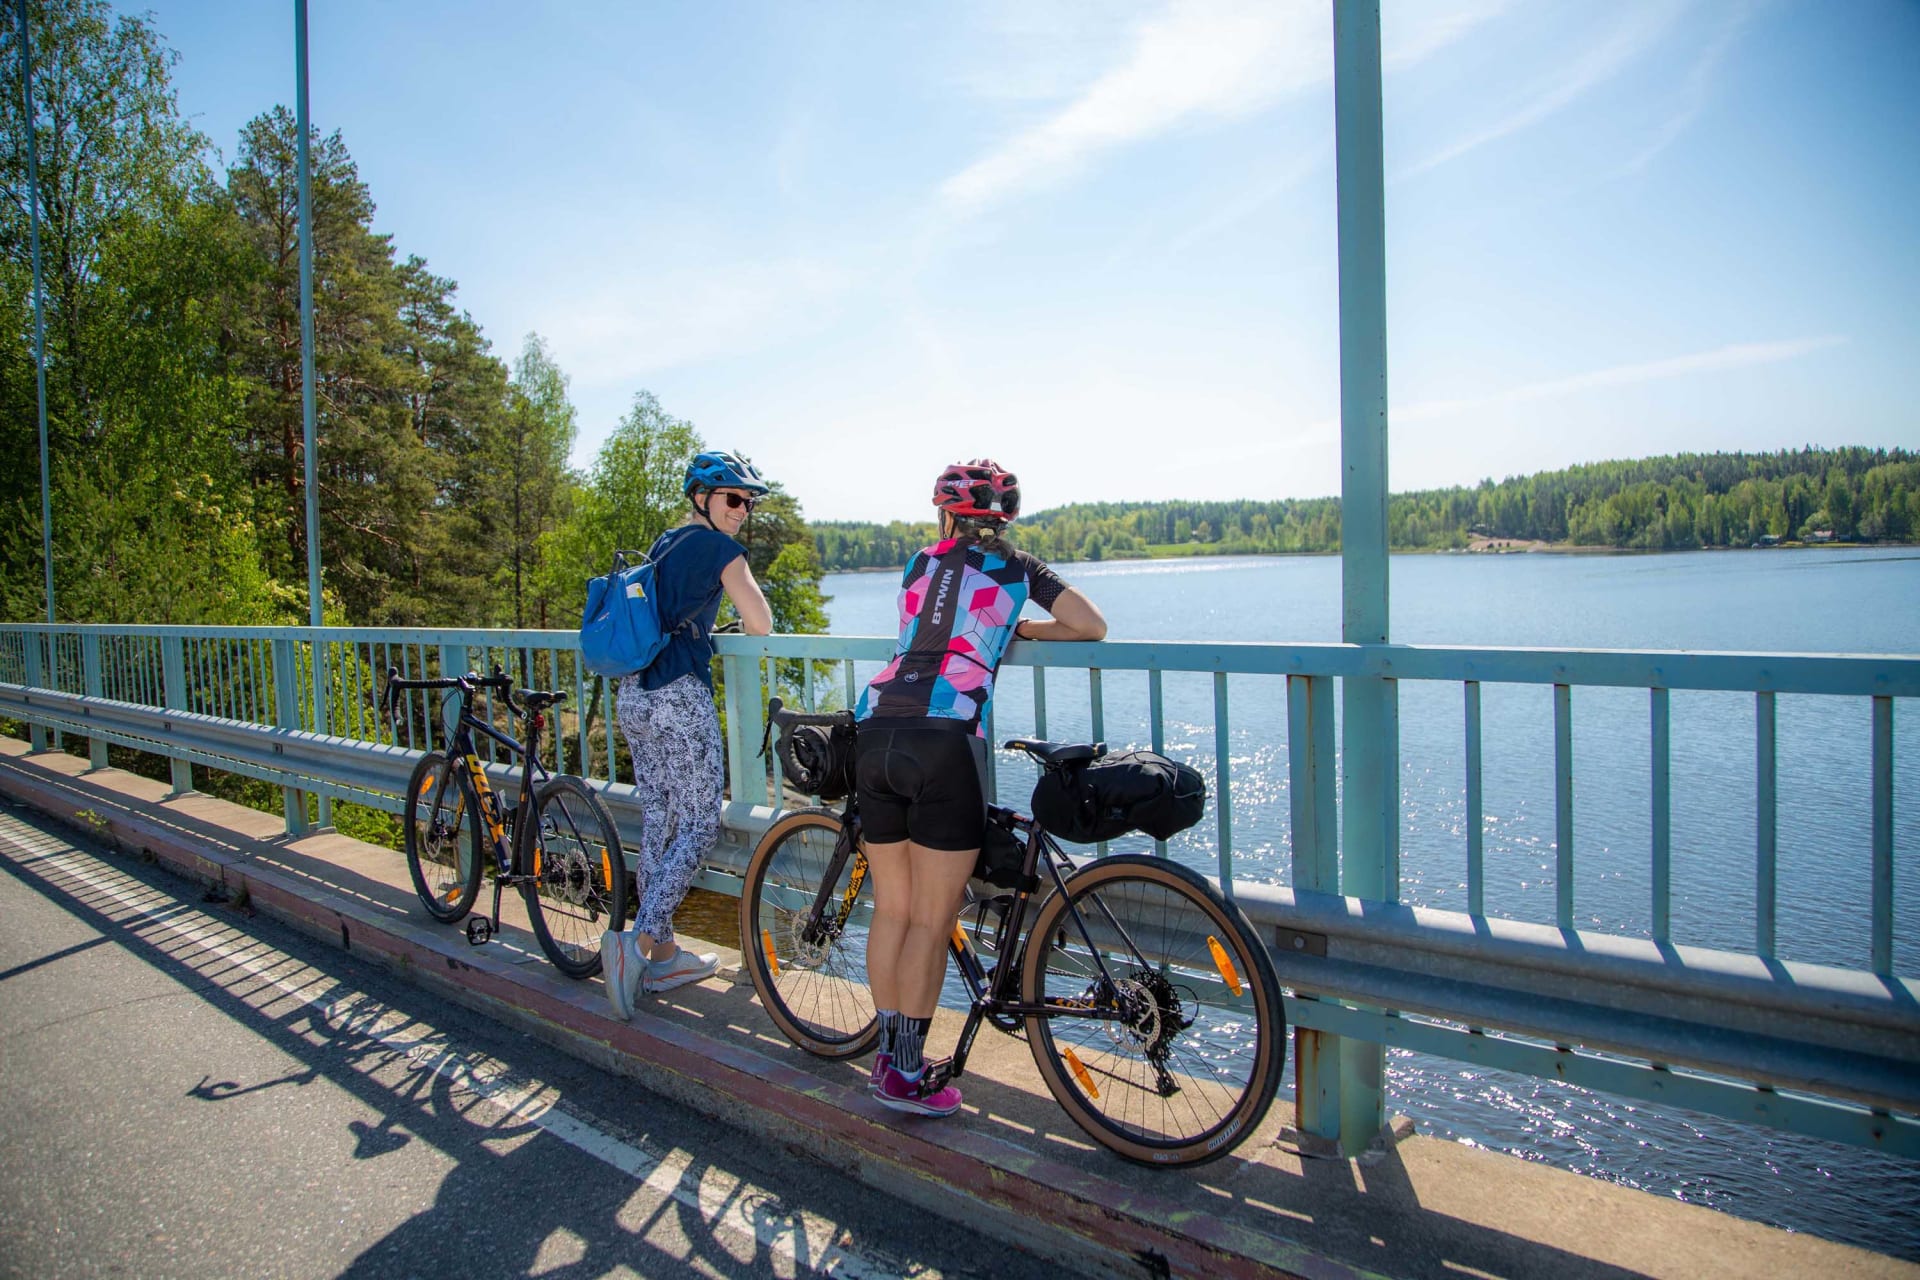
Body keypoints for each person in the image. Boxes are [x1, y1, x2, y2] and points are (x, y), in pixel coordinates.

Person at [853, 458, 1107, 1116]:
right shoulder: (1019, 570)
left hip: (878, 731)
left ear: (946, 515)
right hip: (945, 740)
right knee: (933, 920)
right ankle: (905, 1076)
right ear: (1004, 520)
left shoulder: (918, 563)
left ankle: (888, 1058)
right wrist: (1026, 627)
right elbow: (1091, 624)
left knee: (893, 910)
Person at [601, 449, 774, 1019]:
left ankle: (666, 953)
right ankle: (637, 944)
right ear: (703, 497)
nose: (741, 510)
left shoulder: (665, 542)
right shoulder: (721, 550)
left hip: (636, 695)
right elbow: (761, 621)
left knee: (662, 820)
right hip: (678, 696)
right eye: (732, 498)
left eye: (747, 502)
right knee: (701, 823)